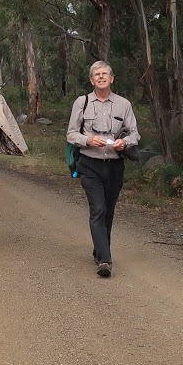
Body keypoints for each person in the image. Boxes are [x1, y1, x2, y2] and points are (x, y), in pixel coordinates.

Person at [66, 60, 141, 278]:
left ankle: (100, 249)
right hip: (89, 165)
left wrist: (124, 143)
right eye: (96, 74)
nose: (101, 77)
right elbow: (71, 134)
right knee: (97, 209)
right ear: (91, 80)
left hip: (115, 165)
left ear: (112, 78)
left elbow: (135, 134)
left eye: (104, 74)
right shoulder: (82, 103)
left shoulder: (124, 104)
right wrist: (88, 140)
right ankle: (105, 260)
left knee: (108, 210)